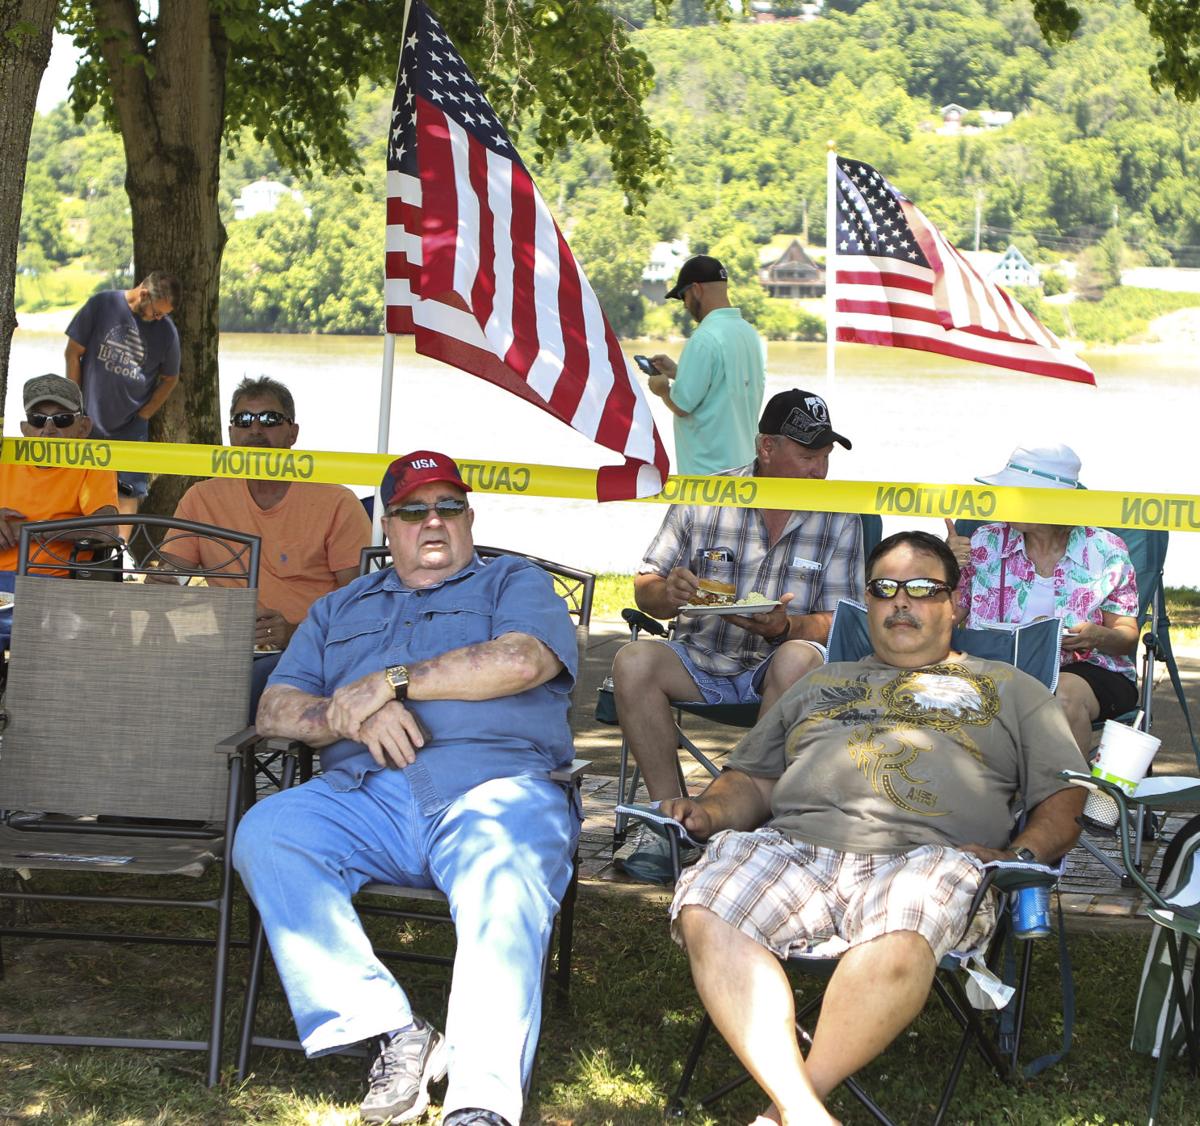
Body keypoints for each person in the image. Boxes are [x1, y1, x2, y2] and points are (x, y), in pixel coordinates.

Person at [661, 530, 1086, 1125]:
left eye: (921, 589)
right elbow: (753, 780)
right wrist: (706, 810)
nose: (901, 603)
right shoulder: (819, 683)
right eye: (885, 590)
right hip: (794, 851)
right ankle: (804, 1114)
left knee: (908, 925)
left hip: (928, 857)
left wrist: (1017, 852)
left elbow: (1065, 799)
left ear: (955, 604)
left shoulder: (1014, 690)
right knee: (708, 903)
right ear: (869, 603)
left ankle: (792, 1106)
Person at [233, 450, 580, 1126]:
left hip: (495, 788)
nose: (434, 522)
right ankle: (394, 1031)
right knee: (268, 834)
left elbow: (523, 658)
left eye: (449, 507)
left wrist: (391, 680)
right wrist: (344, 714)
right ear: (386, 527)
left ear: (469, 519)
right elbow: (274, 708)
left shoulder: (513, 582)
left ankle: (480, 1103)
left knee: (502, 875)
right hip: (366, 795)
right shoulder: (339, 608)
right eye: (414, 510)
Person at [612, 388, 862, 883]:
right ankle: (669, 821)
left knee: (797, 657)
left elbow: (845, 621)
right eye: (808, 456)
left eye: (826, 457)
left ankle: (740, 821)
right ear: (766, 448)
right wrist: (671, 592)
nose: (820, 471)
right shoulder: (707, 496)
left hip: (780, 672)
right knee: (632, 659)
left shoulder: (842, 513)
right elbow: (646, 589)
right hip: (702, 657)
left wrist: (786, 626)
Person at [947, 443, 1139, 754]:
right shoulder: (985, 542)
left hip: (1086, 668)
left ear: (1056, 500)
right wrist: (945, 567)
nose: (1006, 501)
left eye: (1020, 494)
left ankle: (1063, 799)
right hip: (995, 663)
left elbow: (1127, 637)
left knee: (1061, 697)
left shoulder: (1105, 550)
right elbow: (947, 617)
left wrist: (1097, 635)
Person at [164, 376, 370, 653]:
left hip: (311, 651)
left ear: (293, 433)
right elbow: (171, 577)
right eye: (244, 420)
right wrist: (164, 581)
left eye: (270, 419)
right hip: (223, 650)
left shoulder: (337, 502)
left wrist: (297, 633)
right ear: (231, 433)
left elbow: (363, 605)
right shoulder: (201, 497)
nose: (256, 429)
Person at [0, 375, 120, 646]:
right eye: (38, 420)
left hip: (55, 584)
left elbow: (106, 529)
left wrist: (31, 531)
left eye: (62, 420)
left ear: (83, 426)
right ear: (24, 428)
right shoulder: (5, 455)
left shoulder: (93, 461)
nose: (49, 429)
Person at [64, 272, 182, 513]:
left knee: (129, 489)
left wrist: (144, 415)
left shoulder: (167, 331)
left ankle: (121, 548)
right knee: (77, 481)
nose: (159, 318)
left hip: (131, 424)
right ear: (144, 294)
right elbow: (72, 352)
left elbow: (171, 378)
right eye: (157, 312)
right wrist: (73, 406)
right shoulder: (102, 304)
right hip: (88, 417)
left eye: (164, 315)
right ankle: (78, 542)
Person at [644, 254, 766, 476]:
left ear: (696, 289)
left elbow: (681, 406)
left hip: (709, 477)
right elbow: (723, 388)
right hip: (746, 471)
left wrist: (662, 391)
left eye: (683, 297)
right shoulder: (749, 334)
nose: (685, 305)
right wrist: (678, 372)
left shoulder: (704, 339)